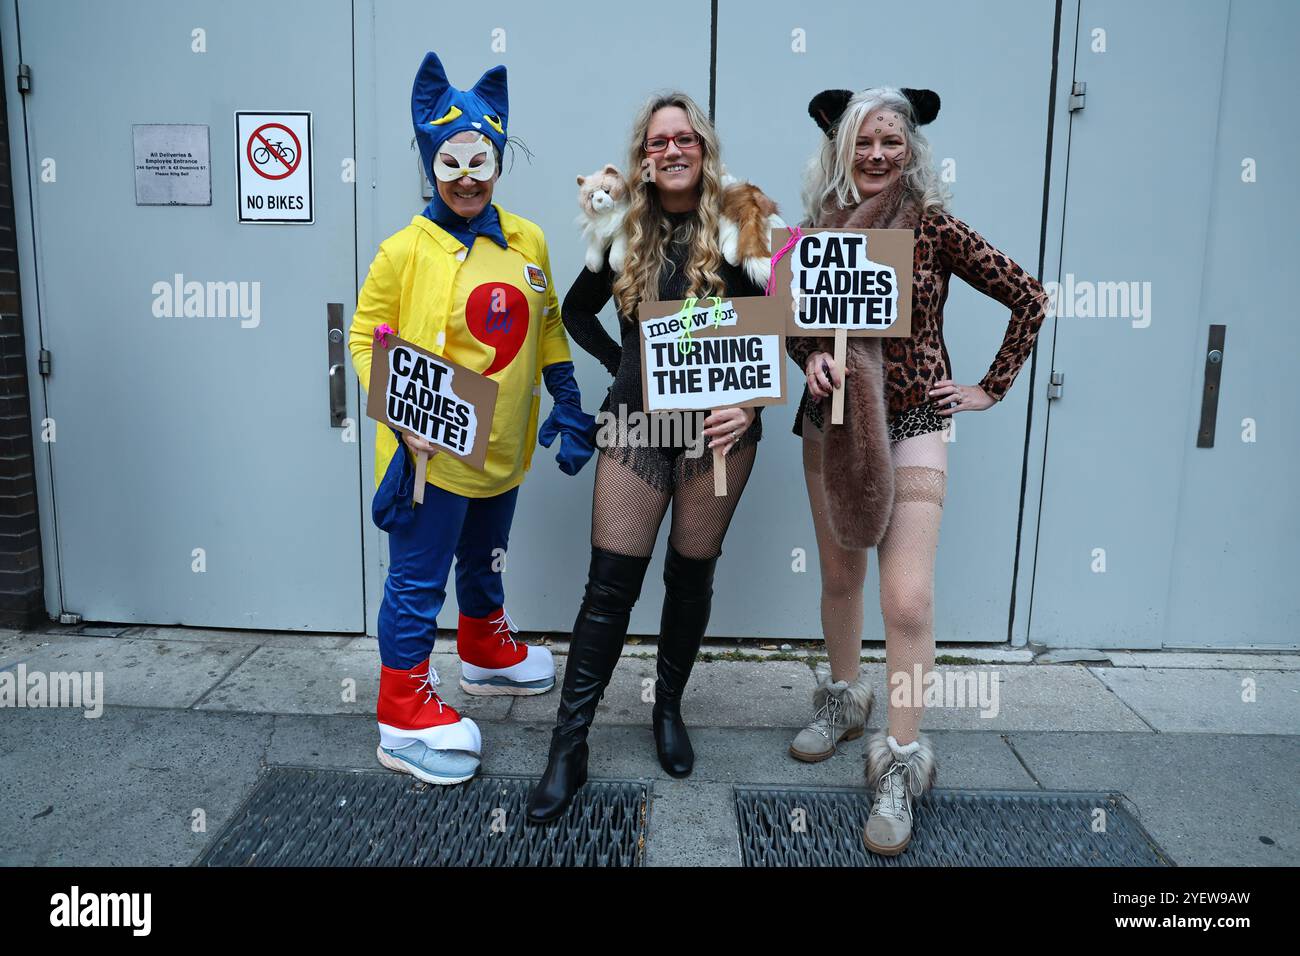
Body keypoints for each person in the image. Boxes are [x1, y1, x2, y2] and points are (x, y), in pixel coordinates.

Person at [786, 86, 1049, 854]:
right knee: (841, 580)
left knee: (906, 600)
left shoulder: (930, 225)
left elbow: (1028, 296)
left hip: (916, 421)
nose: (876, 155)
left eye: (891, 143)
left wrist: (990, 388)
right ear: (841, 149)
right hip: (830, 425)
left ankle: (900, 761)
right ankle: (844, 699)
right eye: (863, 142)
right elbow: (796, 326)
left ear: (911, 151)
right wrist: (809, 362)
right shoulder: (818, 232)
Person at [525, 92, 779, 824]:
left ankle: (667, 709)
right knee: (609, 588)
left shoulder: (740, 220)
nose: (671, 151)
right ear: (642, 155)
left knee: (691, 575)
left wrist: (754, 401)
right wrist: (622, 363)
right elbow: (574, 310)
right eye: (656, 142)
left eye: (684, 139)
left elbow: (785, 313)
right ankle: (567, 748)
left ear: (703, 148)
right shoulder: (622, 226)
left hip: (717, 435)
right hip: (637, 429)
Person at [348, 51, 596, 786]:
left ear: (497, 159)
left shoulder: (528, 240)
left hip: (501, 451)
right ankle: (401, 715)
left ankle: (486, 650)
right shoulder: (402, 251)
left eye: (479, 159)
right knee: (417, 583)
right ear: (431, 162)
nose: (465, 177)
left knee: (487, 558)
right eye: (450, 161)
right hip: (428, 456)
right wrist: (399, 415)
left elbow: (548, 324)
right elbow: (365, 338)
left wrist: (571, 401)